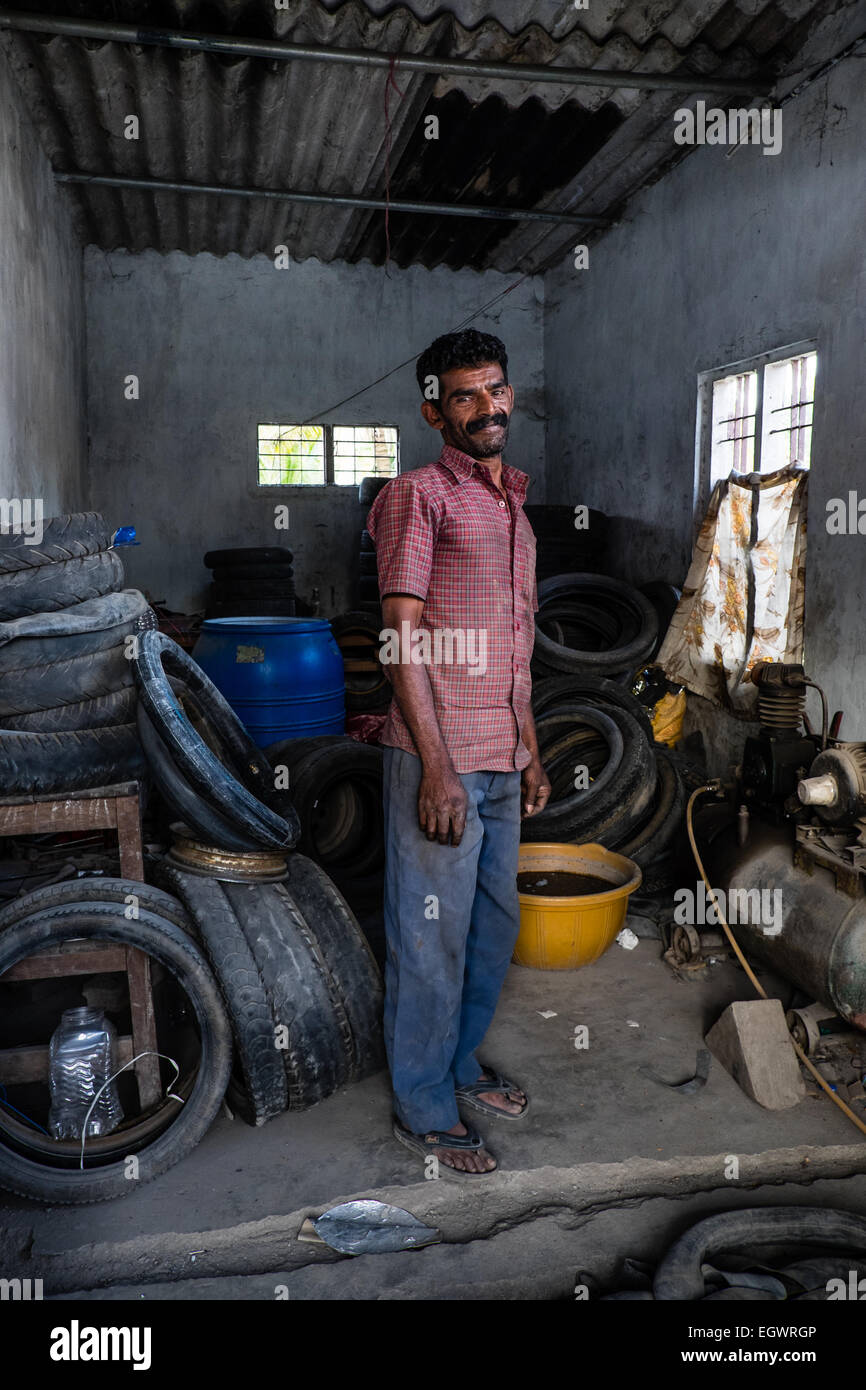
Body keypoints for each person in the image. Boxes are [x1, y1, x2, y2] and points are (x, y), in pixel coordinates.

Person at [365, 328, 551, 1179]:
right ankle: (423, 1101)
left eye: (496, 390)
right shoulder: (417, 495)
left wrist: (534, 753)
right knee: (428, 935)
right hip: (439, 755)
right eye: (466, 395)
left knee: (492, 924)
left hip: (503, 754)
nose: (487, 407)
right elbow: (399, 637)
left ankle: (461, 1061)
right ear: (433, 408)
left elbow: (518, 644)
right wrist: (436, 767)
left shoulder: (512, 501)